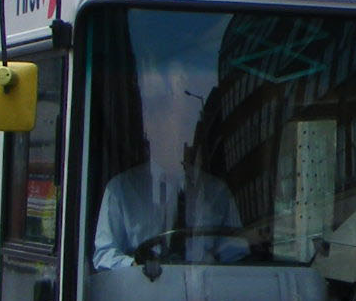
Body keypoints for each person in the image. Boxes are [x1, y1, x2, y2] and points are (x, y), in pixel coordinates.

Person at [91, 58, 247, 270]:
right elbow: (104, 255)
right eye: (165, 118)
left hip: (204, 296)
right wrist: (136, 266)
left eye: (183, 121)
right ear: (150, 127)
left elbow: (236, 258)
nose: (174, 129)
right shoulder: (121, 191)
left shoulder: (216, 192)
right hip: (143, 297)